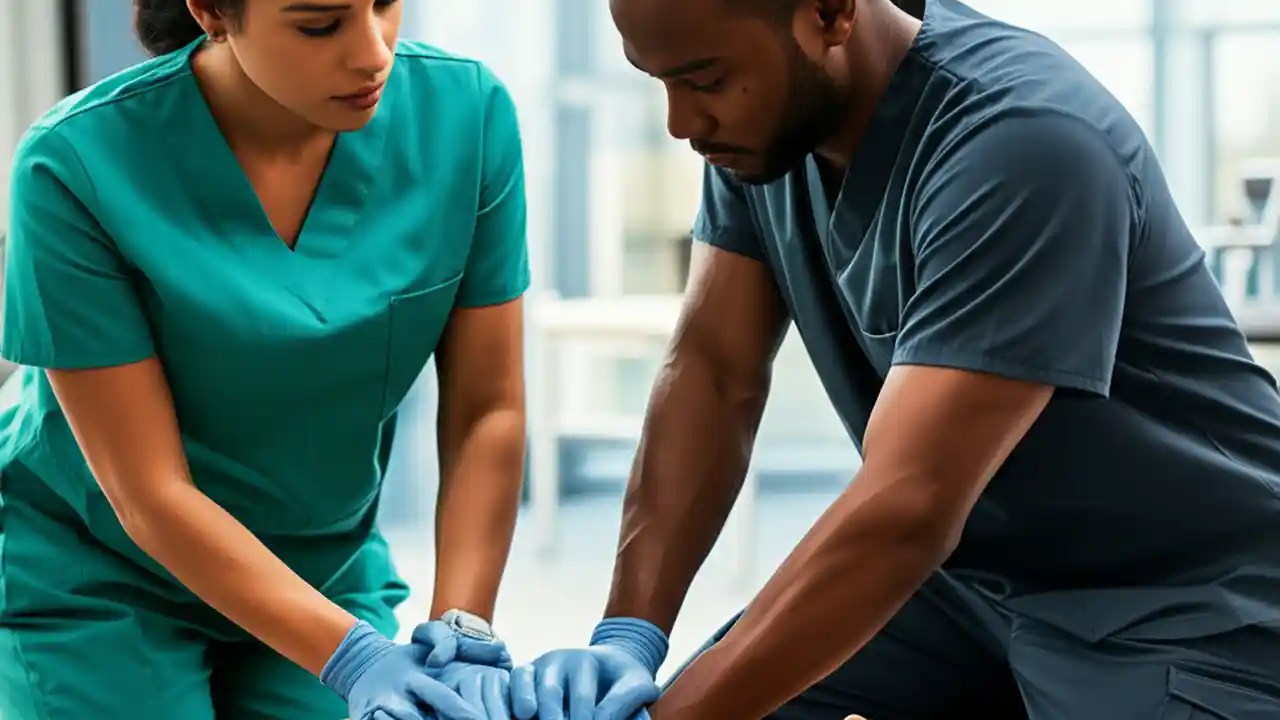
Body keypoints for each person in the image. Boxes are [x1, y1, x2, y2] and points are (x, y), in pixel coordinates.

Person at [510, 0, 1280, 718]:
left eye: (704, 79)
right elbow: (713, 371)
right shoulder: (762, 134)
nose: (682, 122)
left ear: (831, 11)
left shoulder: (1024, 139)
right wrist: (629, 635)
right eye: (661, 82)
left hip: (1184, 602)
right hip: (972, 586)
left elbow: (908, 506)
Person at [0, 1, 530, 719]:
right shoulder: (74, 163)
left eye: (384, 3)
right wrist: (356, 658)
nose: (373, 52)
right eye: (320, 25)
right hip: (94, 571)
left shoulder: (465, 116)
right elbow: (147, 493)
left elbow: (486, 413)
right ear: (213, 12)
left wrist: (461, 630)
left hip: (319, 568)